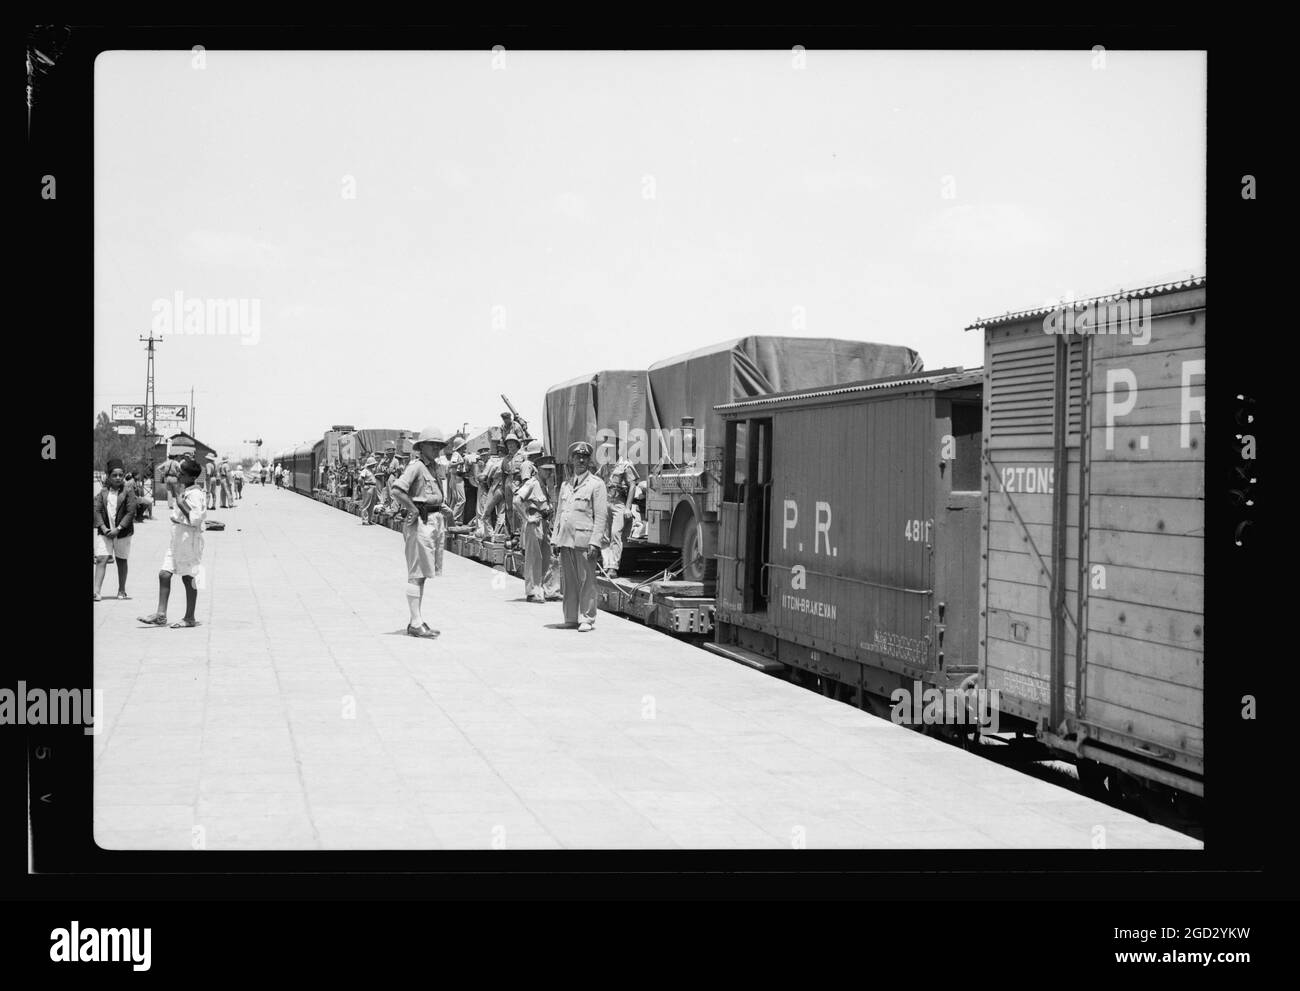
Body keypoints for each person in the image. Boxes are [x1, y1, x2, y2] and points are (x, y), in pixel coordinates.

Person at [389, 425, 451, 638]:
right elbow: (397, 490)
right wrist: (413, 509)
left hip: (434, 520)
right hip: (420, 523)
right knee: (416, 573)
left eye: (439, 445)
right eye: (432, 445)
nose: (436, 448)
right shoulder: (415, 467)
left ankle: (417, 620)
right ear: (422, 446)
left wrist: (442, 506)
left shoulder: (434, 467)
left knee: (423, 574)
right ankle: (415, 623)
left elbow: (430, 494)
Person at [137, 456, 206, 628]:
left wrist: (180, 501)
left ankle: (190, 617)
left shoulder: (196, 494)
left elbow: (196, 519)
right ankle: (161, 614)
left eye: (182, 473)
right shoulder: (186, 490)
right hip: (177, 539)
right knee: (164, 574)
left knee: (188, 577)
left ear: (191, 477)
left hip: (189, 540)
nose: (178, 475)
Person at [551, 441, 608, 632]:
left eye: (584, 457)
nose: (581, 460)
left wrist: (595, 542)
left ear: (589, 460)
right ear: (571, 460)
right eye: (577, 457)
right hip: (565, 540)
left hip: (585, 541)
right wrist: (555, 538)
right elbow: (559, 512)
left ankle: (587, 618)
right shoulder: (566, 485)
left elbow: (601, 516)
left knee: (587, 581)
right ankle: (570, 618)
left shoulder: (596, 484)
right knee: (568, 582)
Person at [94, 458, 137, 601]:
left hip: (122, 532)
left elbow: (130, 512)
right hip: (105, 531)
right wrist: (103, 527)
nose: (118, 478)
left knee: (121, 560)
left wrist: (118, 529)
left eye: (120, 475)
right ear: (108, 476)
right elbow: (97, 510)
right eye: (114, 475)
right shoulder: (103, 492)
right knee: (101, 558)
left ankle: (122, 590)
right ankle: (97, 591)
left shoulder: (128, 491)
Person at [600, 439, 640, 578]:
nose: (607, 452)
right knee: (604, 536)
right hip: (605, 502)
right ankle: (606, 565)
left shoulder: (626, 465)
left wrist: (628, 508)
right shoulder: (605, 466)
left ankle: (613, 567)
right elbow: (597, 480)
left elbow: (633, 485)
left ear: (617, 449)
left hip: (619, 503)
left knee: (615, 534)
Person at [358, 456, 379, 524]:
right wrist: (363, 486)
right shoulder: (365, 470)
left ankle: (370, 520)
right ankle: (364, 520)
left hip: (373, 487)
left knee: (372, 504)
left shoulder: (371, 471)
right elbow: (360, 479)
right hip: (368, 487)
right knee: (366, 504)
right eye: (373, 464)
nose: (374, 465)